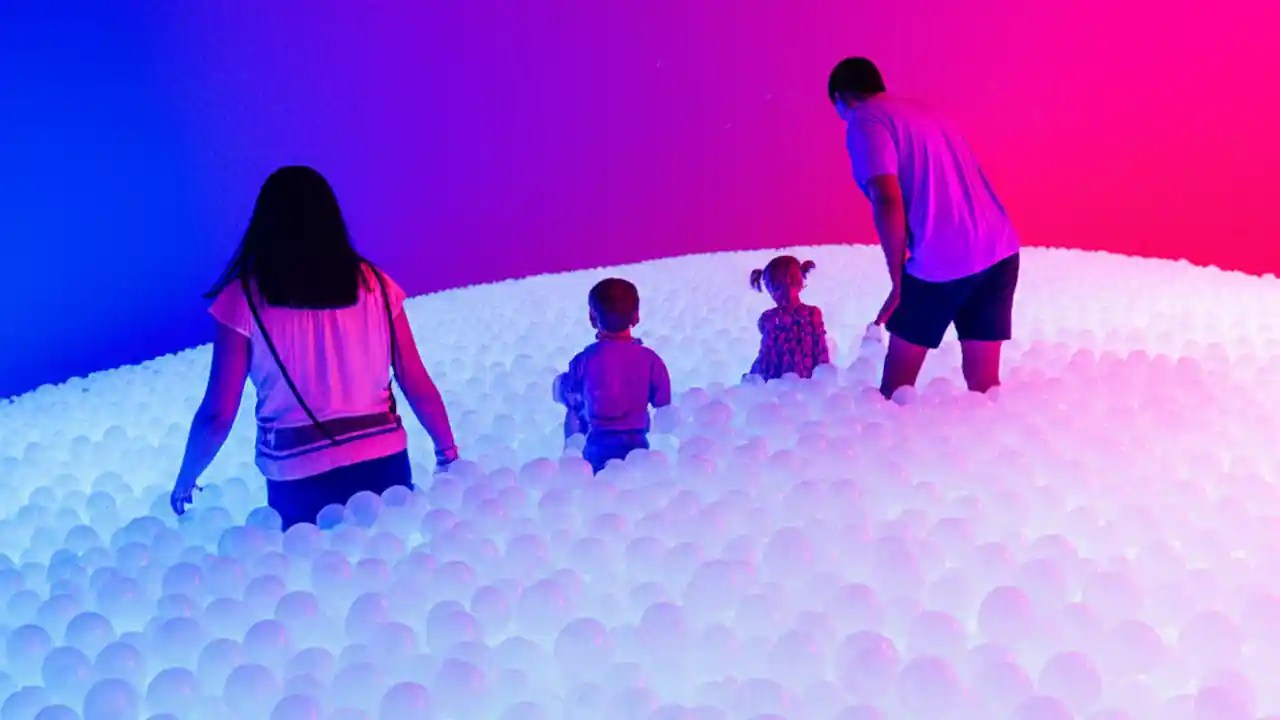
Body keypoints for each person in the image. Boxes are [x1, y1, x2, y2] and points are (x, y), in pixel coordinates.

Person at [169, 166, 459, 528]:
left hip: (299, 477)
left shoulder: (241, 300)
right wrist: (447, 452)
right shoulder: (378, 286)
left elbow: (218, 414)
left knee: (315, 578)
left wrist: (186, 479)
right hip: (386, 463)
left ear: (264, 225)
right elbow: (414, 380)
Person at [829, 57, 1021, 398]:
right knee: (985, 387)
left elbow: (885, 196)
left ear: (842, 98)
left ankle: (889, 446)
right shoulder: (928, 113)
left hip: (941, 260)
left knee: (895, 390)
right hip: (1000, 248)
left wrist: (897, 276)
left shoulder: (864, 119)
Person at [553, 278, 672, 473]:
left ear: (592, 317)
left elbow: (567, 395)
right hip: (637, 446)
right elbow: (665, 411)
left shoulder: (583, 360)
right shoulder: (651, 361)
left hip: (597, 447)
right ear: (636, 316)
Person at [745, 255, 830, 381]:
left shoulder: (812, 314)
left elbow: (821, 351)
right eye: (780, 282)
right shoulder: (770, 318)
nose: (789, 285)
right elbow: (766, 357)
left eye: (793, 279)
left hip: (794, 381)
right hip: (787, 382)